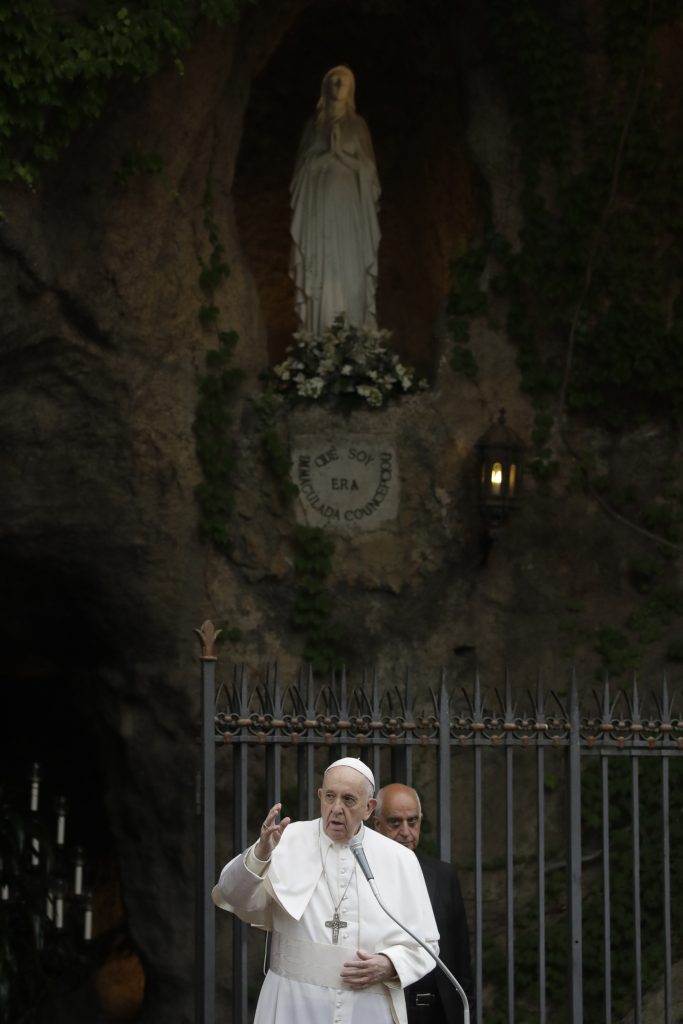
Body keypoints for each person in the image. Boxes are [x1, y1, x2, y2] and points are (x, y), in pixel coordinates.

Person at [212, 758, 439, 1024]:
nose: (336, 808)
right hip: (291, 1005)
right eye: (330, 796)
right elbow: (232, 895)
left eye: (349, 800)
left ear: (369, 808)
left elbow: (427, 945)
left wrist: (390, 965)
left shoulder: (400, 859)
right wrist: (260, 854)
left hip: (367, 1009)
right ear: (320, 796)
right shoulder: (286, 839)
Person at [289, 65, 381, 335]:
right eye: (333, 81)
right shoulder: (313, 127)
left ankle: (355, 339)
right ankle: (318, 338)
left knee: (350, 269)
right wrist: (323, 156)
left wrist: (340, 153)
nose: (339, 86)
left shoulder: (358, 125)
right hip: (319, 209)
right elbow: (300, 171)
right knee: (321, 266)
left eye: (344, 82)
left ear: (351, 89)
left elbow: (370, 173)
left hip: (349, 210)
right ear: (324, 86)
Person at [373, 784, 475, 1024]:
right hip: (387, 1009)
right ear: (378, 825)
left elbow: (460, 959)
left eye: (412, 821)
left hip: (439, 1012)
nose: (406, 831)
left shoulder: (443, 875)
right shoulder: (363, 877)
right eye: (395, 823)